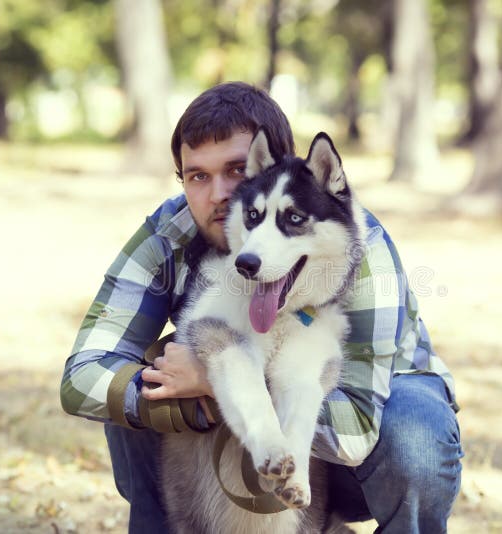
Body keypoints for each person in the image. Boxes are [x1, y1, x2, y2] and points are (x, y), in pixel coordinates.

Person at [60, 81, 462, 533]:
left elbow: (355, 434)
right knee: (141, 382)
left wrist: (217, 385)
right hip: (245, 443)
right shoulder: (167, 234)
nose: (221, 196)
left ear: (273, 163)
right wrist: (190, 390)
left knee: (416, 434)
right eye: (198, 176)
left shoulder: (352, 244)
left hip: (365, 440)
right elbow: (83, 376)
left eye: (236, 169)